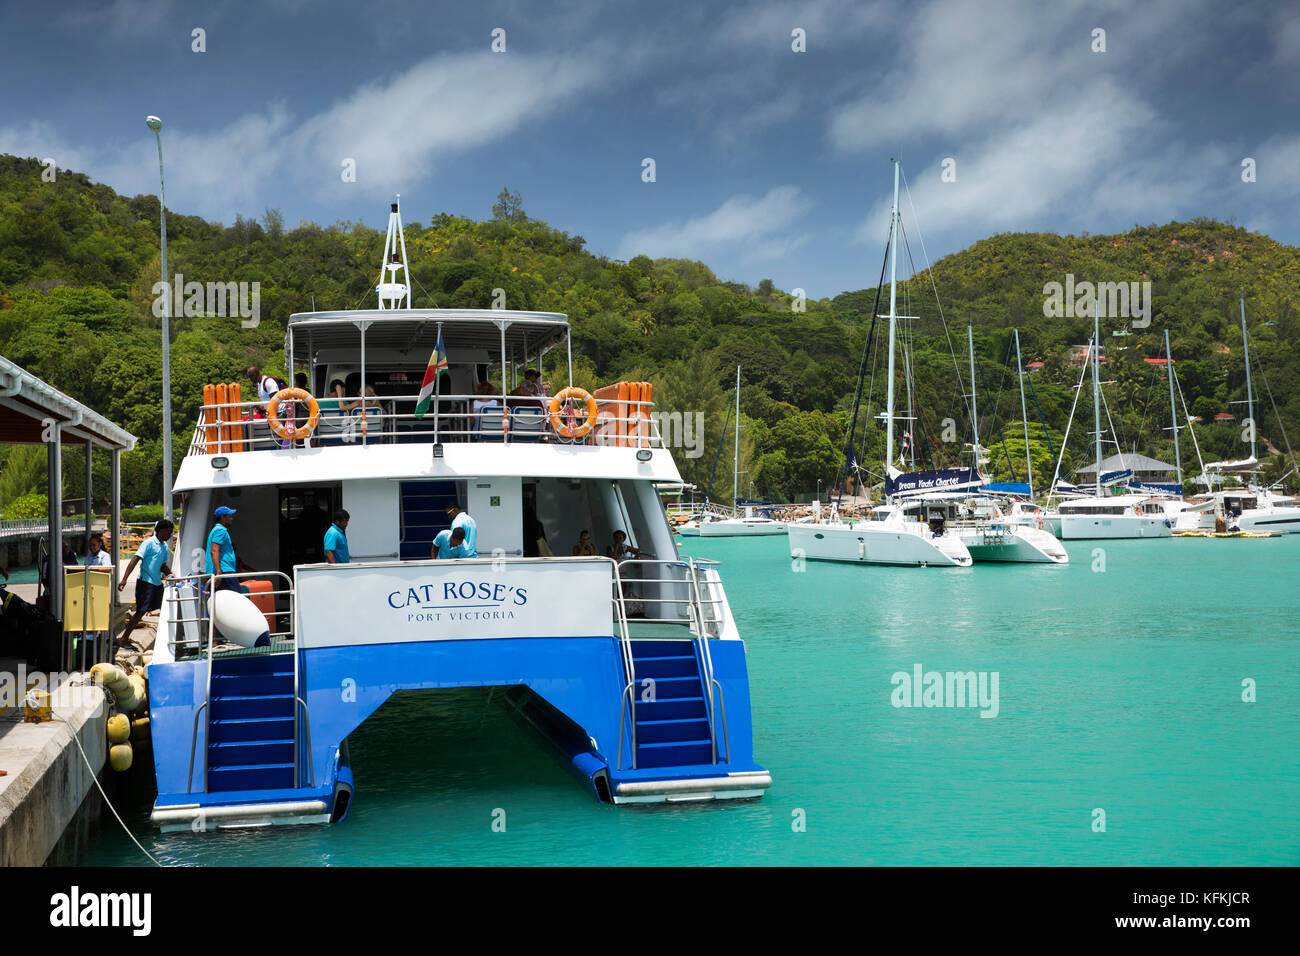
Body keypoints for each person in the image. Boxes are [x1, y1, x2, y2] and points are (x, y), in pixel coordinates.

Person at [117, 519, 174, 651]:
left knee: (162, 607)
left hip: (157, 583)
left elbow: (162, 565)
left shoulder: (164, 546)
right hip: (145, 582)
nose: (170, 535)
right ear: (161, 531)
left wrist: (171, 575)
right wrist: (124, 579)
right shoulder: (148, 543)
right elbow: (135, 559)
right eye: (168, 532)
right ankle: (124, 638)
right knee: (141, 611)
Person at [206, 506, 252, 590]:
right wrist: (219, 572)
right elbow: (214, 550)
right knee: (236, 598)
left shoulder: (216, 529)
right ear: (222, 517)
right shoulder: (220, 530)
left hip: (221, 572)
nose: (232, 519)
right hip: (224, 571)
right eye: (229, 516)